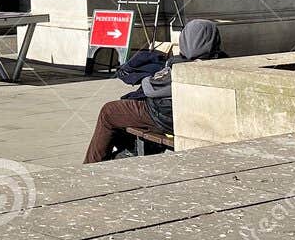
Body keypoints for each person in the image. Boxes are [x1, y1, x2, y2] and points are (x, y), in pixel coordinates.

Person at [83, 19, 223, 164]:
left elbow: (151, 89)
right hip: (196, 117)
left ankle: (90, 167)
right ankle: (129, 151)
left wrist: (147, 77)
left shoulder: (183, 67)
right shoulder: (223, 62)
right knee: (123, 110)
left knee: (109, 111)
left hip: (165, 116)